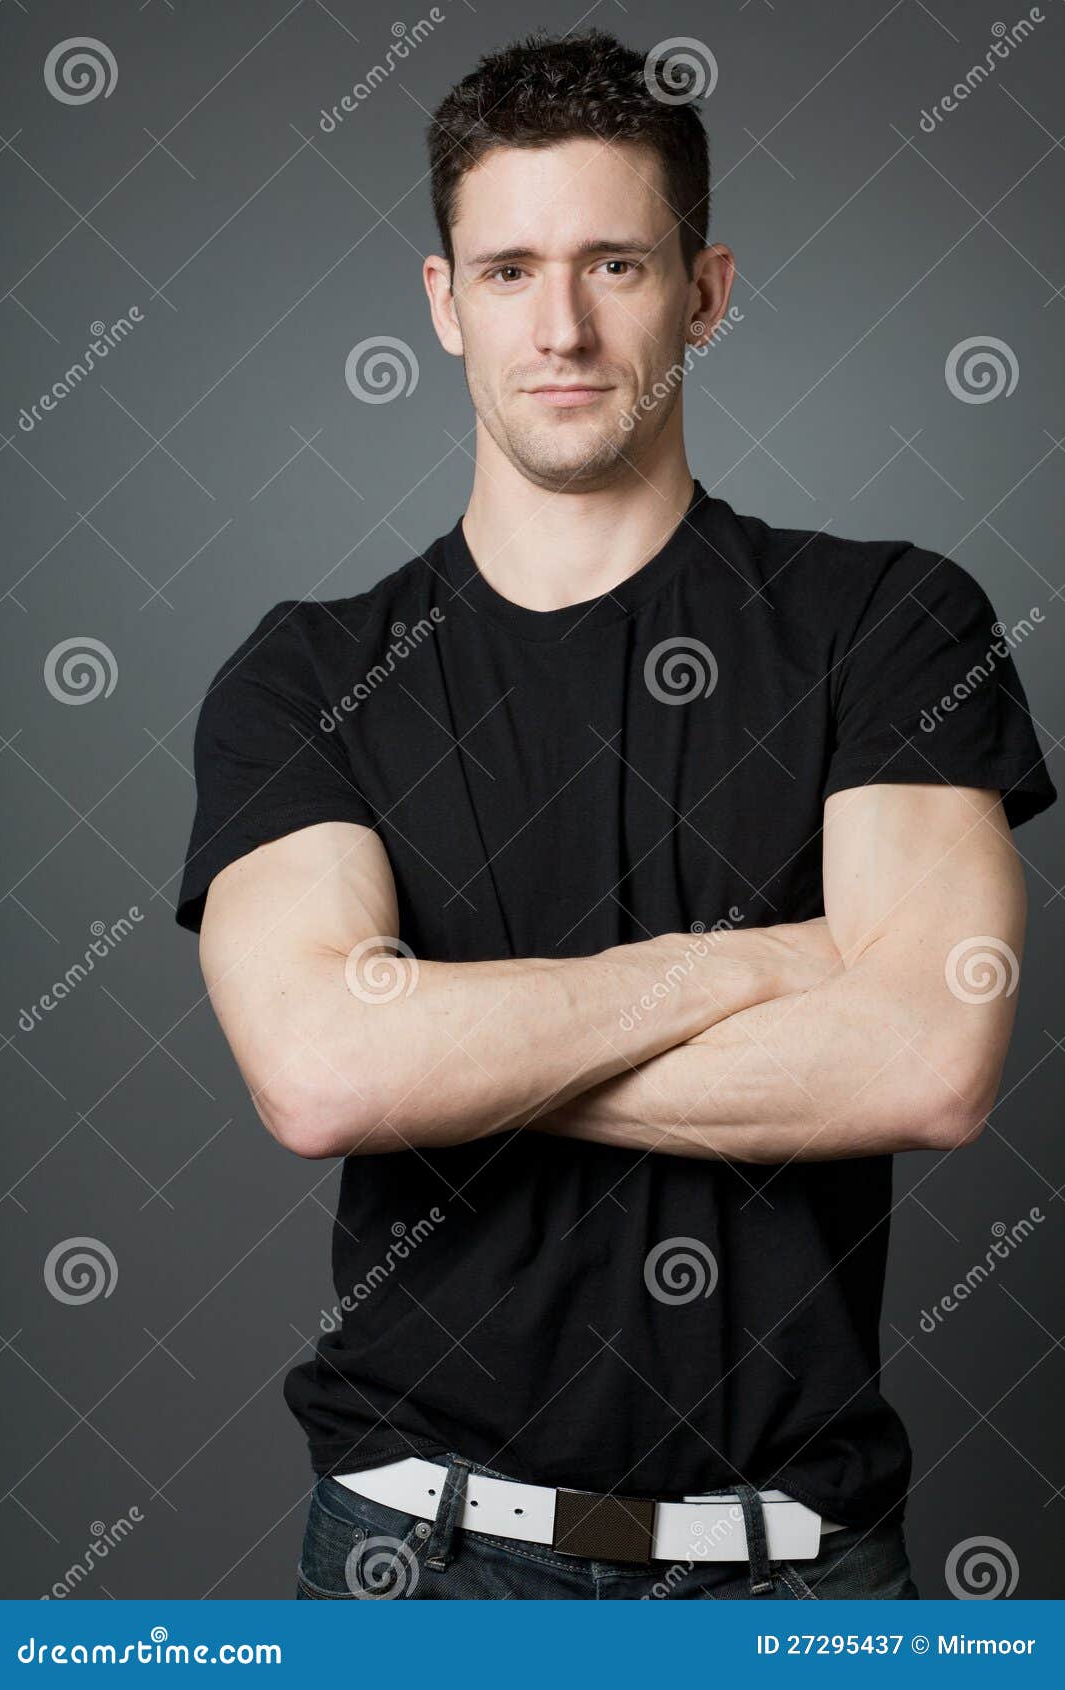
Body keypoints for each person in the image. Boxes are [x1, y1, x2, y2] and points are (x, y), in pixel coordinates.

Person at [175, 28, 1056, 1600]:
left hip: (800, 1570)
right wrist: (763, 965)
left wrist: (441, 1054)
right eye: (507, 269)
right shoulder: (307, 674)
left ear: (705, 291)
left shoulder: (890, 624)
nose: (562, 325)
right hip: (416, 1564)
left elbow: (929, 1054)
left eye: (616, 265)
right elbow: (320, 1074)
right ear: (443, 306)